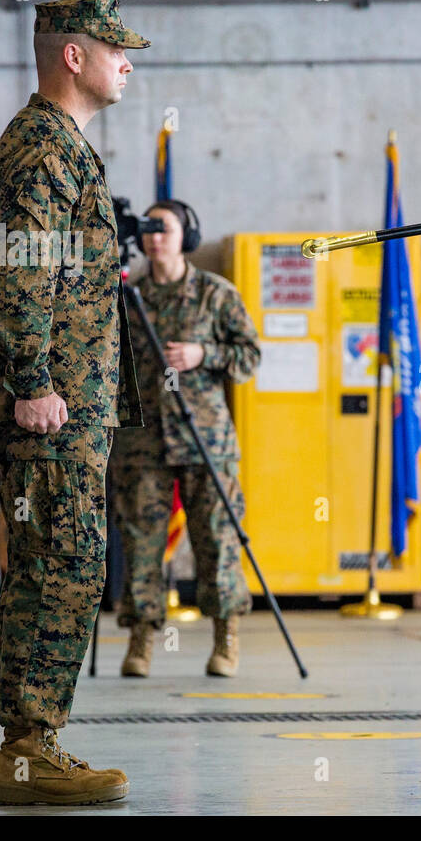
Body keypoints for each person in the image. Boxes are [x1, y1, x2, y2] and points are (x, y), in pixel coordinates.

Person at [0, 0, 148, 805]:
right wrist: (34, 383)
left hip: (73, 402)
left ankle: (36, 745)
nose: (128, 62)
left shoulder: (61, 145)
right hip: (50, 406)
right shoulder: (43, 149)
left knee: (68, 560)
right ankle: (31, 752)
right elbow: (16, 276)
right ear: (73, 56)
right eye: (116, 49)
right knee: (57, 564)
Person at [112, 199, 260, 678]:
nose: (156, 237)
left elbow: (249, 356)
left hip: (205, 438)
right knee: (141, 543)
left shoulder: (215, 294)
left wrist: (204, 353)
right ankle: (141, 640)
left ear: (186, 235)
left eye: (167, 228)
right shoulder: (125, 295)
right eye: (149, 229)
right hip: (144, 441)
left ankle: (226, 638)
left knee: (217, 541)